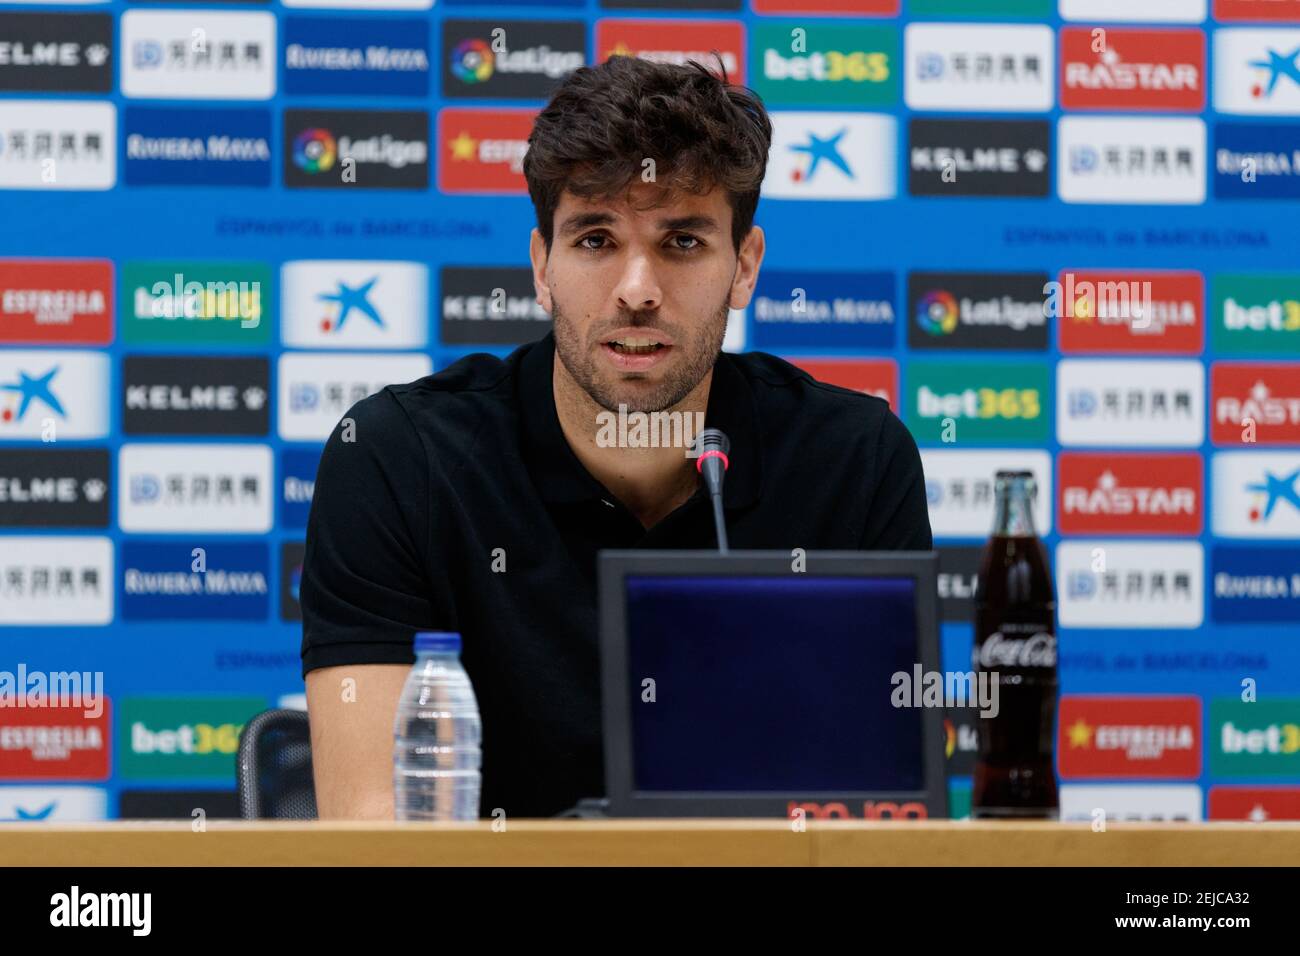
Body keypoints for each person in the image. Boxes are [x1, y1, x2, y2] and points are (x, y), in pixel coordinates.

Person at [302, 55, 932, 819]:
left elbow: (881, 824)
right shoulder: (398, 457)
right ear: (542, 267)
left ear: (745, 266)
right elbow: (374, 833)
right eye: (596, 240)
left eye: (682, 242)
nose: (637, 290)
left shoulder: (852, 461)